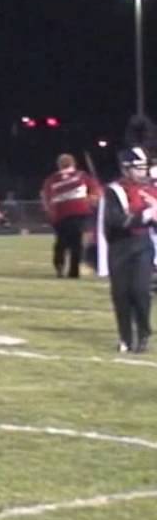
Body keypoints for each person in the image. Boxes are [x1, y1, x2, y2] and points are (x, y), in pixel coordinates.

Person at [98, 116, 157, 353]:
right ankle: (125, 337)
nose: (143, 172)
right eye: (138, 168)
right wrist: (147, 213)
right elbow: (115, 221)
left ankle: (143, 332)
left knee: (141, 291)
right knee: (121, 294)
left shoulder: (151, 189)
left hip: (142, 244)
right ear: (126, 168)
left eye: (144, 167)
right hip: (120, 247)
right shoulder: (114, 191)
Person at [40, 153, 100, 278]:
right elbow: (96, 191)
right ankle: (74, 271)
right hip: (80, 213)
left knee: (61, 242)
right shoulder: (82, 176)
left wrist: (50, 213)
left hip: (60, 215)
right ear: (73, 163)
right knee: (76, 243)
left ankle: (59, 265)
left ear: (59, 165)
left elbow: (46, 197)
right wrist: (91, 199)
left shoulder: (51, 179)